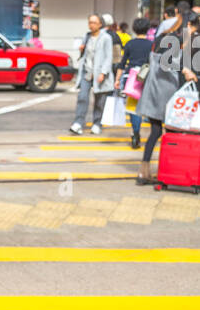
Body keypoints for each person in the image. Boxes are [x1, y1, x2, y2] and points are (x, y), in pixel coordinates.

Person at [135, 10, 184, 184]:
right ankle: (166, 172)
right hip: (168, 93)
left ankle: (143, 172)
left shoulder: (158, 40)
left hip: (152, 92)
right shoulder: (177, 41)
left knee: (155, 132)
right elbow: (170, 65)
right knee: (170, 134)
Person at [69, 13, 113, 135]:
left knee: (99, 101)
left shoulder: (106, 38)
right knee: (82, 97)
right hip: (86, 72)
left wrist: (103, 73)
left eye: (94, 22)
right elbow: (85, 55)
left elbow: (108, 57)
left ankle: (97, 123)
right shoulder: (86, 36)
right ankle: (78, 123)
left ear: (100, 24)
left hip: (100, 74)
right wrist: (82, 50)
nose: (91, 25)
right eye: (90, 22)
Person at [114, 16, 153, 149]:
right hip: (146, 76)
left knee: (132, 108)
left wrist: (117, 80)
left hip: (131, 78)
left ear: (134, 29)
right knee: (143, 107)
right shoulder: (151, 44)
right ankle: (141, 132)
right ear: (147, 29)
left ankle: (135, 133)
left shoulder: (130, 43)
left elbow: (122, 63)